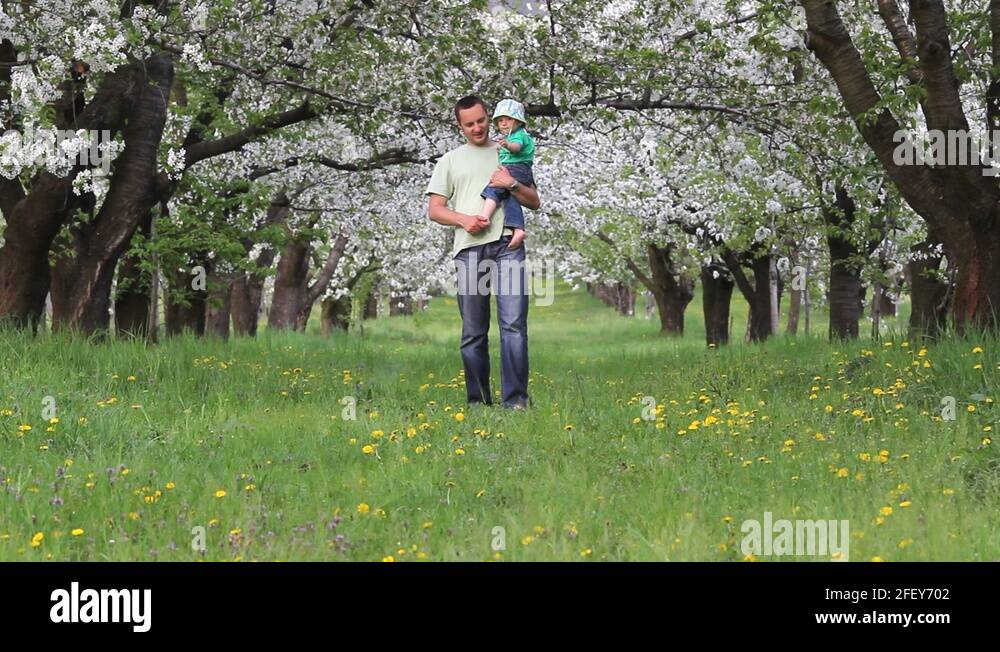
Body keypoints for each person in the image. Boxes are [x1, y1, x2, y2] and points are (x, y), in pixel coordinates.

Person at [426, 95, 541, 409]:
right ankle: (478, 402)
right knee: (474, 331)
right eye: (469, 124)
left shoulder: (510, 150)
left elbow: (534, 201)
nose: (477, 128)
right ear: (460, 126)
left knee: (514, 325)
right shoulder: (449, 160)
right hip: (470, 250)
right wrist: (464, 219)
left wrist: (512, 185)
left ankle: (516, 401)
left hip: (508, 246)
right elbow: (435, 210)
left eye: (481, 120)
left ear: (490, 118)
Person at [478, 98, 535, 251]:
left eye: (508, 119)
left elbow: (516, 148)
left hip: (517, 169)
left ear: (518, 121)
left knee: (494, 188)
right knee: (511, 198)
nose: (504, 123)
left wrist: (508, 146)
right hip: (520, 170)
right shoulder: (513, 135)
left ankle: (485, 216)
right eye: (500, 120)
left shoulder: (518, 135)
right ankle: (518, 229)